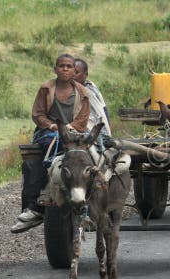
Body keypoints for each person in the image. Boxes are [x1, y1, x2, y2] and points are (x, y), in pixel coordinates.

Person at [12, 54, 90, 233]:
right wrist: (52, 126)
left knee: (90, 158)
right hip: (49, 133)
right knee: (39, 157)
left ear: (74, 70)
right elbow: (37, 114)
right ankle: (34, 208)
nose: (65, 69)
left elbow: (83, 118)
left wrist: (70, 128)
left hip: (74, 133)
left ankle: (89, 206)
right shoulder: (46, 89)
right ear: (55, 69)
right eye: (61, 66)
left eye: (69, 66)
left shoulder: (82, 92)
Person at [74, 58, 111, 136]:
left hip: (93, 134)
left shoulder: (88, 91)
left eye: (76, 72)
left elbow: (103, 111)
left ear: (85, 75)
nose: (73, 75)